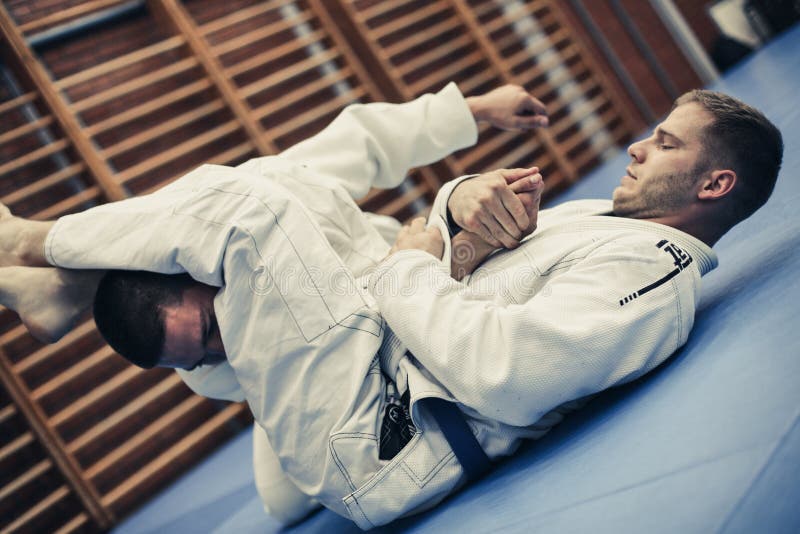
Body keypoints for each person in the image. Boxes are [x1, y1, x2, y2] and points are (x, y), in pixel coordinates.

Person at [0, 84, 783, 529]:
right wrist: (464, 205)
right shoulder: (603, 223)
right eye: (653, 134)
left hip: (384, 438)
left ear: (715, 186)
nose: (639, 146)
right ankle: (69, 280)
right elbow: (455, 268)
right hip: (373, 376)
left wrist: (413, 262)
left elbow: (502, 370)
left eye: (667, 143)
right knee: (283, 184)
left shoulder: (652, 273)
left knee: (251, 212)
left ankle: (44, 249)